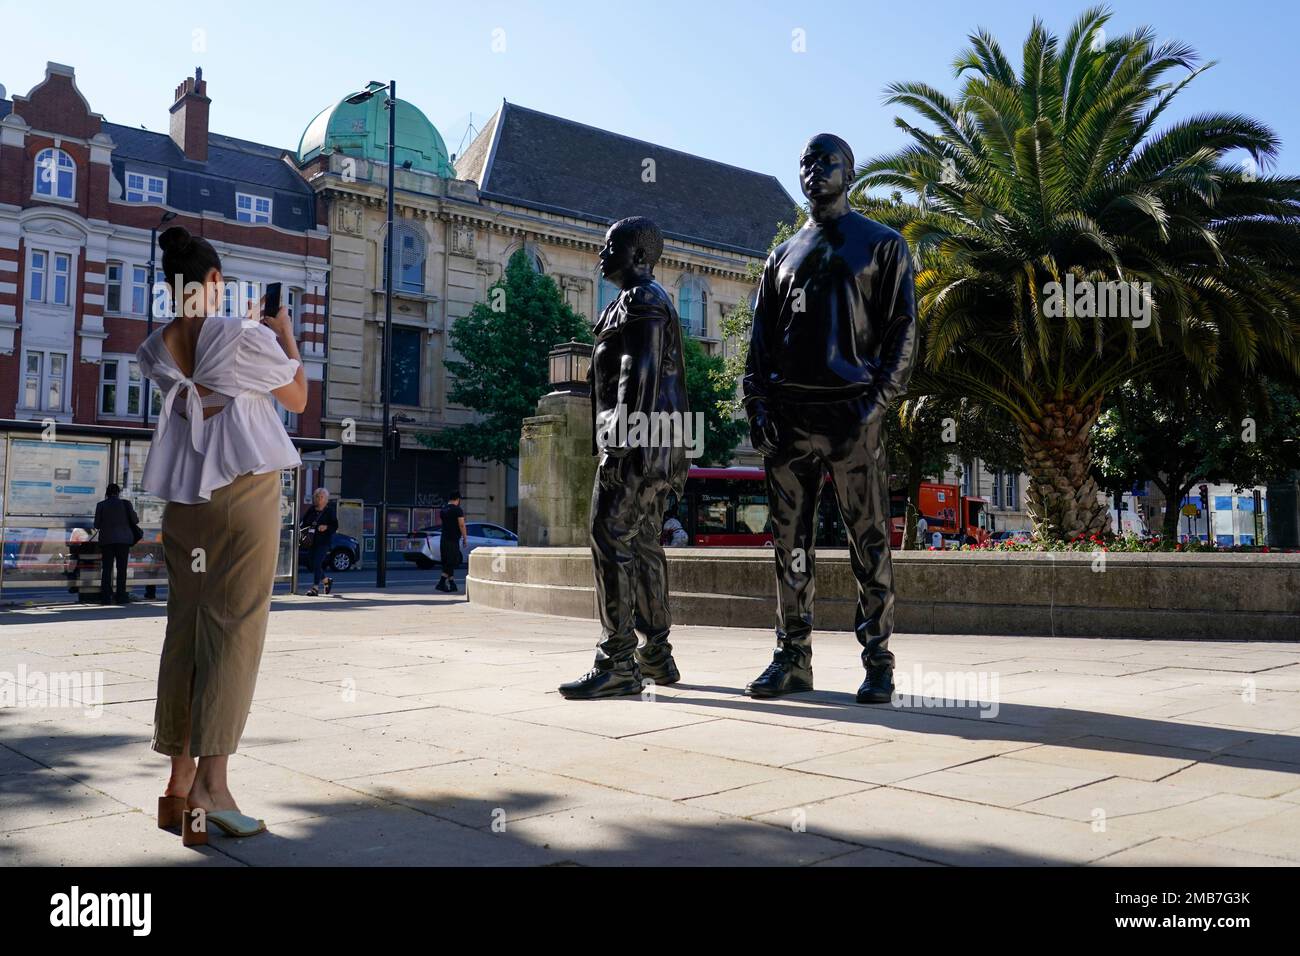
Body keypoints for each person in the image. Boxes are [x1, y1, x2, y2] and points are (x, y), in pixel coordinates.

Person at [136, 224, 307, 845]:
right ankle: (214, 788)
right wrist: (283, 331)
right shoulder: (242, 335)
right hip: (244, 493)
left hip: (186, 504)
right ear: (212, 282)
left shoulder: (154, 347)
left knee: (187, 630)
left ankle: (178, 788)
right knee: (234, 634)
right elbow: (296, 397)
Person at [743, 133, 918, 705]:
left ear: (851, 173)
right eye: (806, 163)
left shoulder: (882, 244)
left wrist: (875, 405)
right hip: (788, 416)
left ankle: (878, 661)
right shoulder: (781, 255)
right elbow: (760, 341)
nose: (815, 171)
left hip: (852, 413)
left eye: (828, 163)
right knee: (788, 543)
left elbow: (903, 331)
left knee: (868, 540)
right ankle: (792, 656)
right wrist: (757, 404)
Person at [558, 216, 689, 700]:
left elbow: (639, 371)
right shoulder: (636, 302)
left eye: (609, 246)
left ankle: (616, 660)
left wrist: (618, 442)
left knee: (607, 534)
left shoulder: (641, 300)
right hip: (660, 442)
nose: (600, 253)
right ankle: (656, 653)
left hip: (638, 440)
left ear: (637, 256)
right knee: (646, 541)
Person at [93, 483, 139, 605]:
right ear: (118, 492)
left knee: (107, 569)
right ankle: (121, 597)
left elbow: (96, 525)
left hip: (107, 540)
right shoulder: (126, 504)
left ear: (107, 493)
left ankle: (106, 598)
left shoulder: (101, 505)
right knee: (121, 569)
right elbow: (135, 520)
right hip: (123, 540)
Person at [300, 488, 338, 596]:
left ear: (326, 499)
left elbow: (334, 526)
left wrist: (326, 527)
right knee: (312, 564)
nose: (319, 499)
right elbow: (303, 523)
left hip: (323, 542)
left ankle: (315, 588)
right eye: (317, 496)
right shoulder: (311, 510)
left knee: (317, 563)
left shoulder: (329, 511)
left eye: (321, 497)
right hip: (311, 541)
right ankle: (326, 580)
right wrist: (310, 525)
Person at [436, 491, 467, 593]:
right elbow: (461, 525)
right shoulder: (458, 510)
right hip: (453, 539)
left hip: (444, 538)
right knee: (452, 561)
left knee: (447, 561)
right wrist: (465, 538)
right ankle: (441, 582)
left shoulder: (443, 510)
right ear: (457, 499)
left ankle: (452, 584)